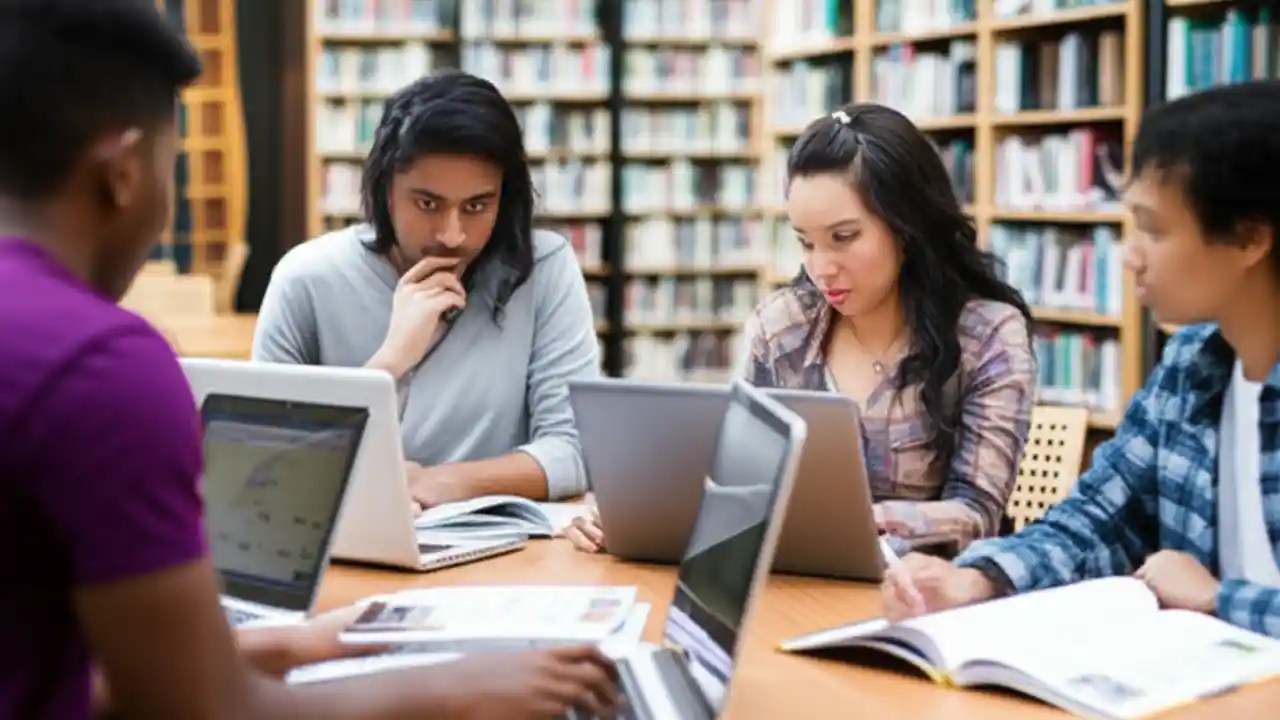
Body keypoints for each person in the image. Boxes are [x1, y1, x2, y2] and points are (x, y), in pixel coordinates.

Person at [0, 3, 617, 718]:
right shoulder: (105, 368)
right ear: (125, 171)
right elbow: (206, 707)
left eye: (478, 205)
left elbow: (77, 665)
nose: (452, 231)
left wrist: (294, 645)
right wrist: (456, 686)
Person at [881, 81, 1280, 639]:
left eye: (1154, 230)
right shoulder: (1191, 366)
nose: (1130, 257)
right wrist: (975, 581)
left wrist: (1221, 599)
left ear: (1249, 239)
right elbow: (1095, 521)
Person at [567, 103, 1036, 558]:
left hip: (922, 598)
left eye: (844, 238)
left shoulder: (987, 336)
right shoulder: (781, 329)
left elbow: (977, 515)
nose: (821, 268)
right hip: (794, 586)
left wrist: (873, 522)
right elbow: (740, 480)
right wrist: (636, 510)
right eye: (805, 242)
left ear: (907, 227)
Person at [253, 70, 598, 510]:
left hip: (503, 554)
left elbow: (573, 451)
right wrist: (390, 361)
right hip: (347, 551)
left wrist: (441, 484)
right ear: (385, 190)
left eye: (476, 206)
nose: (452, 235)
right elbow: (261, 460)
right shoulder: (306, 278)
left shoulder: (543, 269)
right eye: (427, 203)